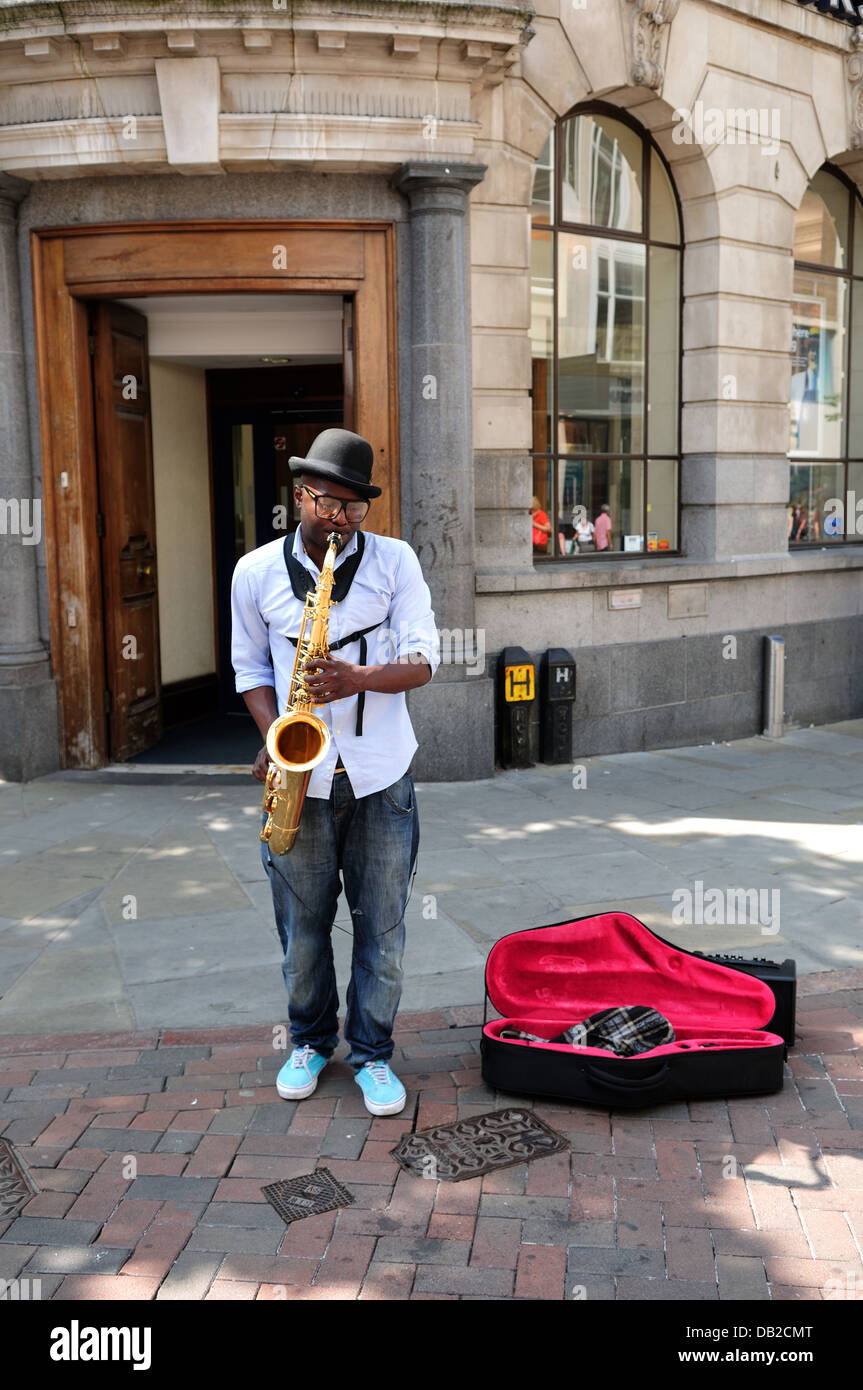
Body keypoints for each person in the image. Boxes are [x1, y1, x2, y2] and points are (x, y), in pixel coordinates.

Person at [230, 428, 440, 1116]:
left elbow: (424, 661)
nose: (341, 519)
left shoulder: (395, 561)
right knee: (302, 930)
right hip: (303, 775)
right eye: (328, 503)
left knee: (381, 928)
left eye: (355, 508)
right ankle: (309, 1041)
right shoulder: (255, 572)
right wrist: (275, 734)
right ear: (300, 496)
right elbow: (251, 670)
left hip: (381, 775)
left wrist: (358, 679)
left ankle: (373, 1054)